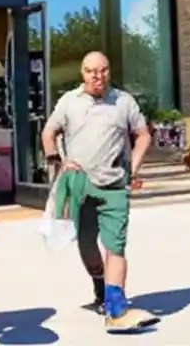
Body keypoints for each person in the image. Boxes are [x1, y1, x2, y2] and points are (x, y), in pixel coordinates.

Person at [41, 51, 157, 332]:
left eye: (103, 70)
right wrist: (56, 160)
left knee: (115, 246)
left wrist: (135, 168)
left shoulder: (123, 102)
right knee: (86, 244)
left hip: (115, 186)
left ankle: (116, 310)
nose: (98, 76)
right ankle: (99, 285)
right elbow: (49, 132)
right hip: (79, 186)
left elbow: (143, 135)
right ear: (83, 73)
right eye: (91, 71)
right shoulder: (69, 101)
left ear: (109, 71)